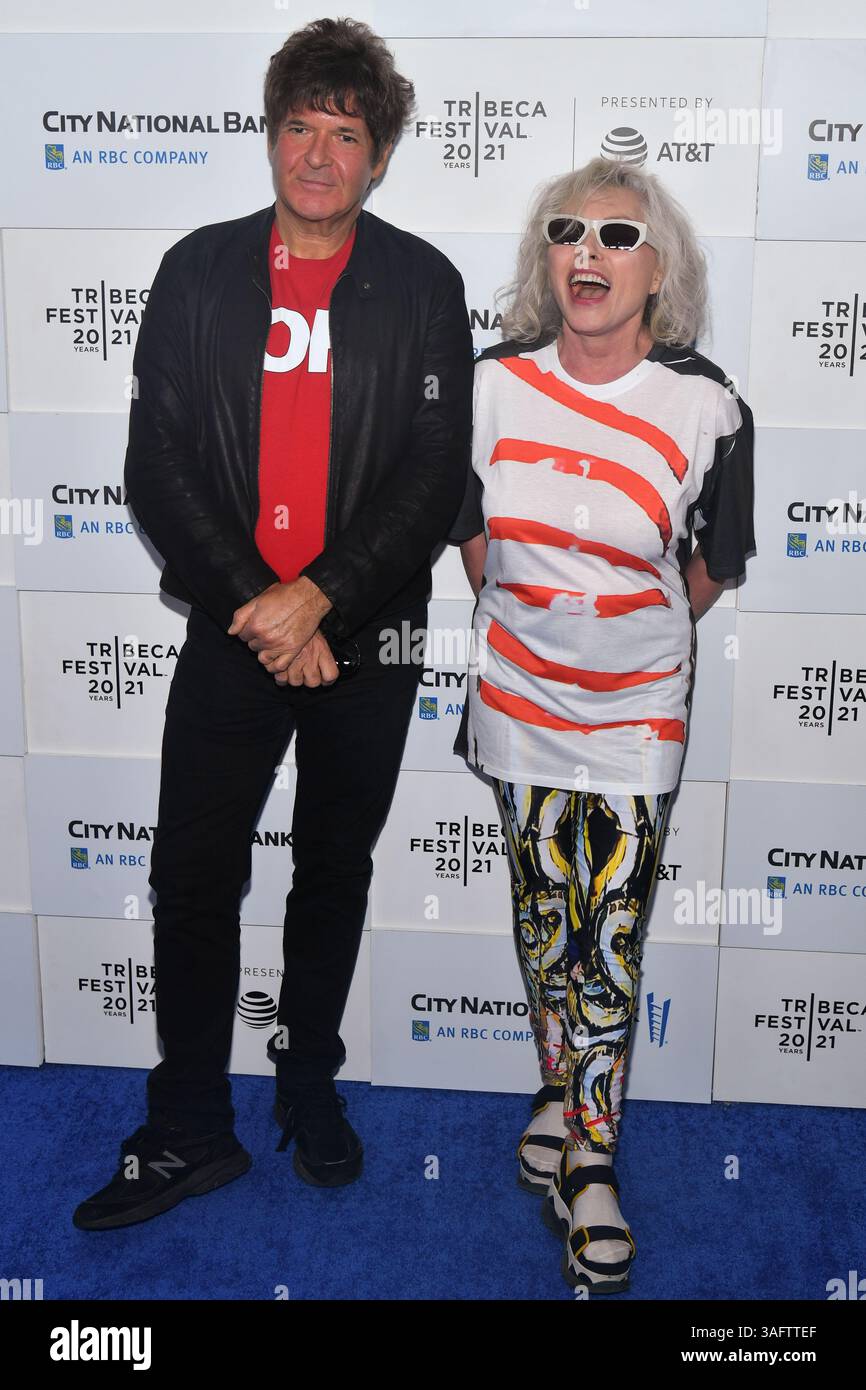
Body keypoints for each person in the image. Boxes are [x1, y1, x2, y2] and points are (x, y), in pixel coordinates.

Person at [73, 17, 473, 1230]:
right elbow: (157, 465)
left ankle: (307, 1084)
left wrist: (326, 598)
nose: (317, 153)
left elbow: (431, 473)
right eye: (300, 124)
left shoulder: (421, 284)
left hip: (369, 638)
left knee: (332, 870)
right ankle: (189, 1125)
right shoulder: (198, 270)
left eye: (344, 133)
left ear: (379, 157)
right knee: (193, 877)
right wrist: (262, 605)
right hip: (235, 635)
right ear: (270, 134)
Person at [448, 156, 755, 1293]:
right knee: (543, 925)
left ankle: (589, 1160)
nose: (588, 252)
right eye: (567, 231)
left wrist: (620, 640)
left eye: (616, 235)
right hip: (518, 707)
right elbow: (471, 536)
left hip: (634, 719)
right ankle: (558, 1083)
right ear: (545, 257)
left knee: (606, 943)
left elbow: (712, 562)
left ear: (656, 271)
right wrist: (538, 627)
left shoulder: (706, 403)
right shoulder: (487, 385)